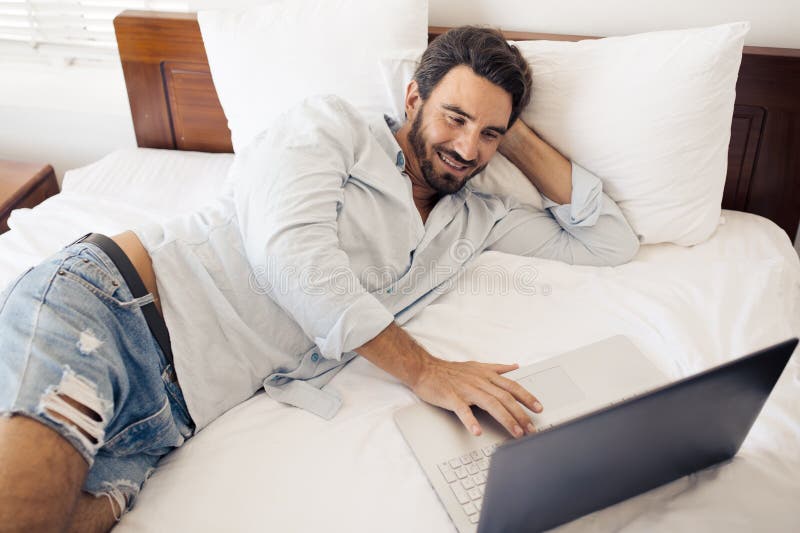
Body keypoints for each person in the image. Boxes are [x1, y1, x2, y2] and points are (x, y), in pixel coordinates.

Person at [0, 26, 639, 532]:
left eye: (488, 134)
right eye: (455, 117)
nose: (468, 149)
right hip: (115, 310)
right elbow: (291, 257)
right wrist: (425, 370)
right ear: (413, 99)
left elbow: (608, 240)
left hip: (174, 416)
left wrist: (514, 131)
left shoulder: (477, 219)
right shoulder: (330, 127)